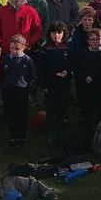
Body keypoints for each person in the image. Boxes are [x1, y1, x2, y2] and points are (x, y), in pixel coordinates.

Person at [38, 22, 74, 152]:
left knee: (63, 110)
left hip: (64, 85)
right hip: (50, 86)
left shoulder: (67, 48)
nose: (56, 35)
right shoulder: (45, 49)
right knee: (51, 111)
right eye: (53, 33)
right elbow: (41, 69)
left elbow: (71, 63)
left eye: (59, 33)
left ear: (64, 34)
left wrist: (67, 71)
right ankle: (51, 137)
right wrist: (44, 85)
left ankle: (62, 135)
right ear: (50, 34)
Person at [0, 34, 36, 149]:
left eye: (17, 49)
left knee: (21, 116)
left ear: (24, 47)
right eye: (12, 48)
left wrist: (28, 89)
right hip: (9, 92)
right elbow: (1, 76)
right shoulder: (5, 59)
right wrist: (3, 88)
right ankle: (13, 138)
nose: (14, 51)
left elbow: (33, 77)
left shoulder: (27, 60)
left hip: (22, 93)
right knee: (11, 116)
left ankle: (22, 138)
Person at [75, 27, 101, 145]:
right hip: (85, 89)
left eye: (97, 39)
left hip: (100, 90)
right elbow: (77, 70)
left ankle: (98, 138)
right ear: (88, 41)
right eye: (92, 39)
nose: (95, 41)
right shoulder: (82, 54)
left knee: (99, 113)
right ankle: (87, 138)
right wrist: (85, 77)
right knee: (87, 113)